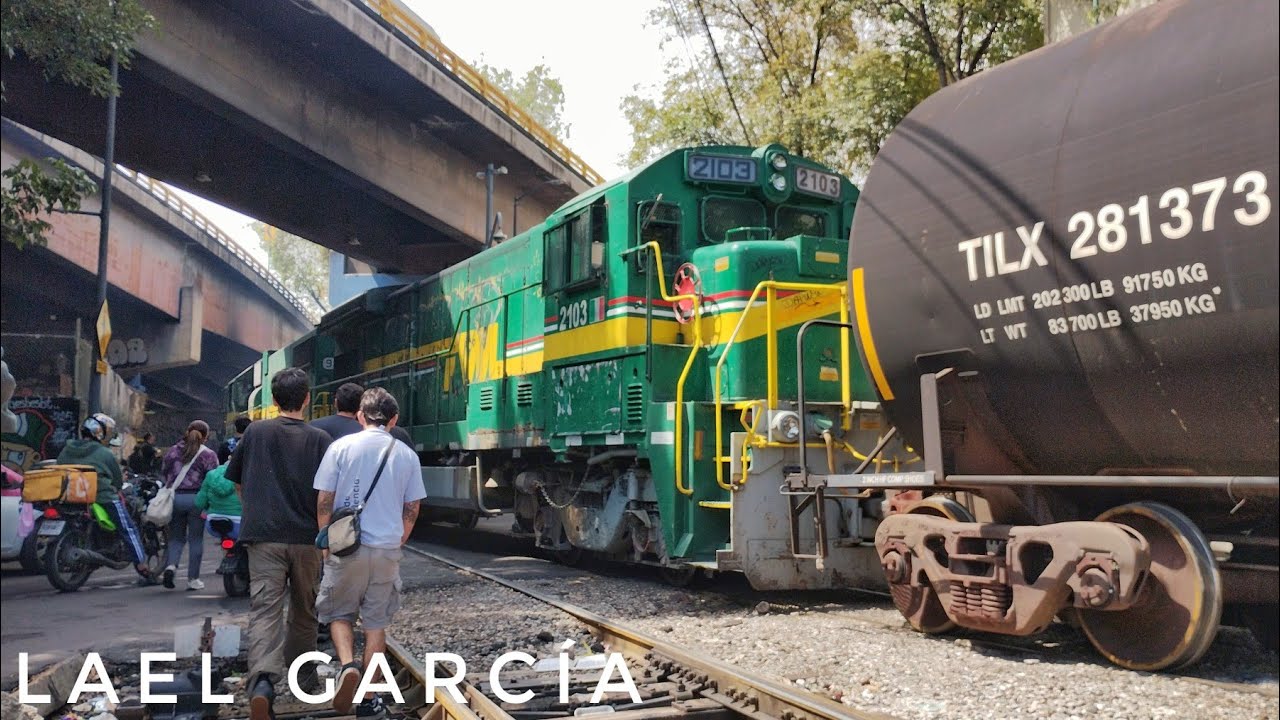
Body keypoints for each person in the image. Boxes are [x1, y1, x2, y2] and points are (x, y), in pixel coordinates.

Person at [226, 368, 332, 720]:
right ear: (306, 398)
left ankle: (261, 684)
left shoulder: (255, 432)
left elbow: (238, 483)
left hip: (264, 537)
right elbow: (326, 497)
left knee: (265, 609)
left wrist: (257, 511)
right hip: (306, 540)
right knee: (305, 610)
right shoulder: (320, 439)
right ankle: (304, 676)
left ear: (273, 400)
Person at [314, 388, 424, 719]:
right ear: (393, 420)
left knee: (339, 614)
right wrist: (399, 539)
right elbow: (413, 507)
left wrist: (327, 543)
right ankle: (368, 696)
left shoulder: (340, 448)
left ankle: (348, 665)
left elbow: (324, 501)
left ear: (361, 416)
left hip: (346, 546)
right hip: (387, 548)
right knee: (376, 624)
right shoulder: (407, 455)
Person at [56, 413, 150, 580]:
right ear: (100, 433)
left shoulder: (67, 448)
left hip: (72, 495)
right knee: (128, 528)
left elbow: (59, 467)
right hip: (102, 496)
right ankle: (141, 563)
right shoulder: (104, 453)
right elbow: (117, 480)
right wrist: (117, 486)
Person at [159, 421, 219, 590]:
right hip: (197, 500)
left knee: (176, 537)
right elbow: (213, 479)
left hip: (175, 499)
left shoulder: (173, 451)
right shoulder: (208, 455)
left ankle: (171, 566)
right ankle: (193, 579)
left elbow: (164, 471)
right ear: (206, 436)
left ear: (187, 431)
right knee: (196, 539)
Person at [196, 440, 244, 538]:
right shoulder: (246, 474)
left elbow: (199, 502)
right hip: (239, 522)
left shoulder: (211, 475)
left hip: (213, 522)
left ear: (229, 457)